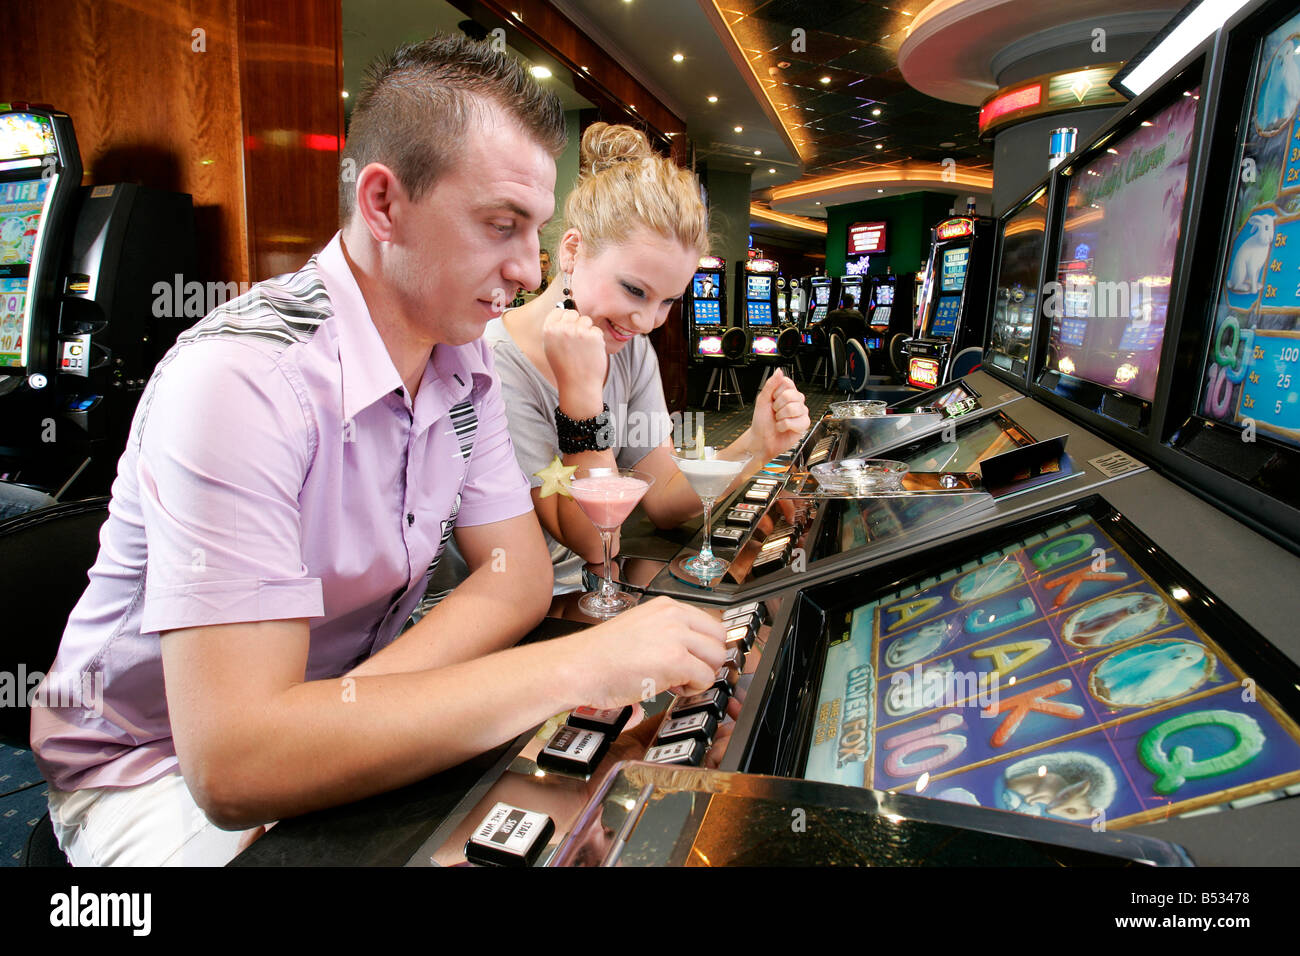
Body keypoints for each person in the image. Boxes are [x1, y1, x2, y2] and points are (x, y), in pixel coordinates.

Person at [29, 35, 725, 867]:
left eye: (535, 229)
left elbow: (518, 581)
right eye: (500, 225)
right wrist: (584, 667)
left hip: (321, 703)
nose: (524, 266)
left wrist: (341, 711)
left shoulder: (461, 358)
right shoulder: (241, 380)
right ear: (384, 204)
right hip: (150, 769)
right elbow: (235, 762)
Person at [484, 123, 810, 593]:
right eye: (634, 289)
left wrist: (754, 445)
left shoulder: (630, 349)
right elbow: (596, 540)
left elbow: (662, 497)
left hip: (599, 587)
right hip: (523, 601)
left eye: (668, 301)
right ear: (573, 251)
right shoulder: (498, 362)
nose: (646, 321)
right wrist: (581, 398)